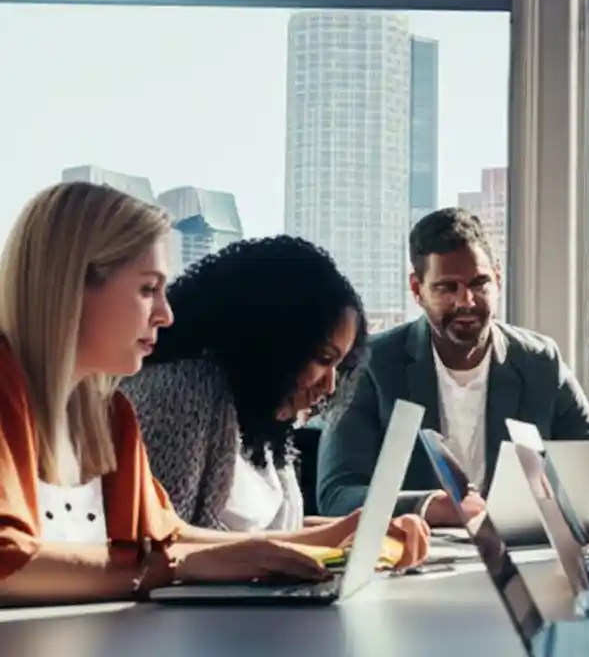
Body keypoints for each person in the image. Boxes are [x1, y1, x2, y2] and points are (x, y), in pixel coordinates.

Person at [0, 183, 427, 605]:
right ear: (72, 284)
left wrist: (337, 535)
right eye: (147, 289)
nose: (165, 314)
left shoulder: (108, 415)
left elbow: (169, 535)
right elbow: (9, 562)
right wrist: (177, 566)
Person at [318, 207, 589, 521]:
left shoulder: (540, 362)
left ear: (498, 278)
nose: (466, 301)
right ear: (417, 289)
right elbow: (339, 494)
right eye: (447, 288)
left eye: (480, 283)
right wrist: (427, 507)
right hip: (416, 559)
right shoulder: (371, 364)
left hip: (520, 552)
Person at [121, 235, 379, 530]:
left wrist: (361, 531)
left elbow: (274, 531)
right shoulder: (181, 391)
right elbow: (165, 546)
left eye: (339, 365)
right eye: (322, 358)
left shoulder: (260, 418)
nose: (330, 386)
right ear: (269, 337)